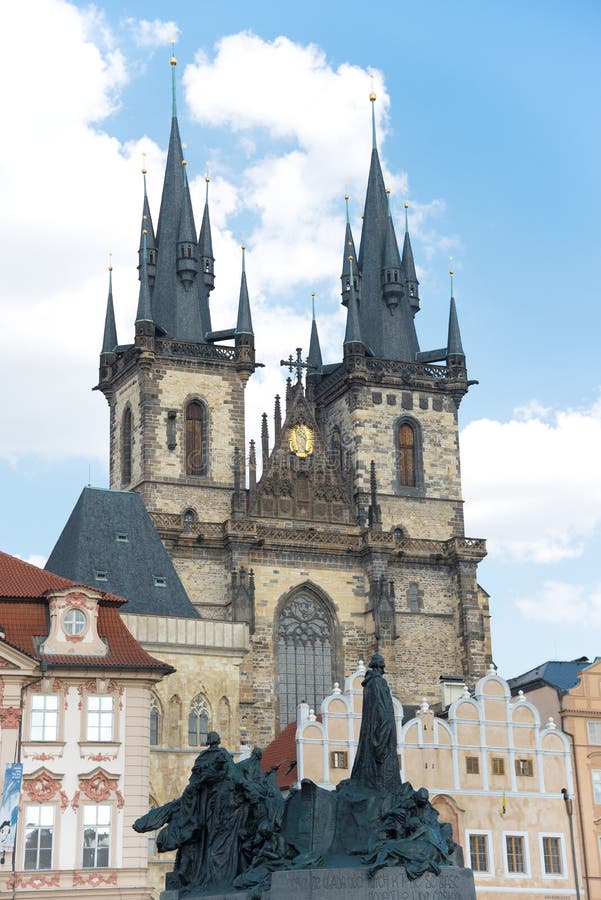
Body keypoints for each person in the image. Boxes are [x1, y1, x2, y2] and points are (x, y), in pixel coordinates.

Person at [350, 652, 401, 792]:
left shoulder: (369, 684)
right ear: (380, 667)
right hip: (382, 726)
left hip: (370, 727)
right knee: (385, 766)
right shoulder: (379, 682)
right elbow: (381, 707)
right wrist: (383, 732)